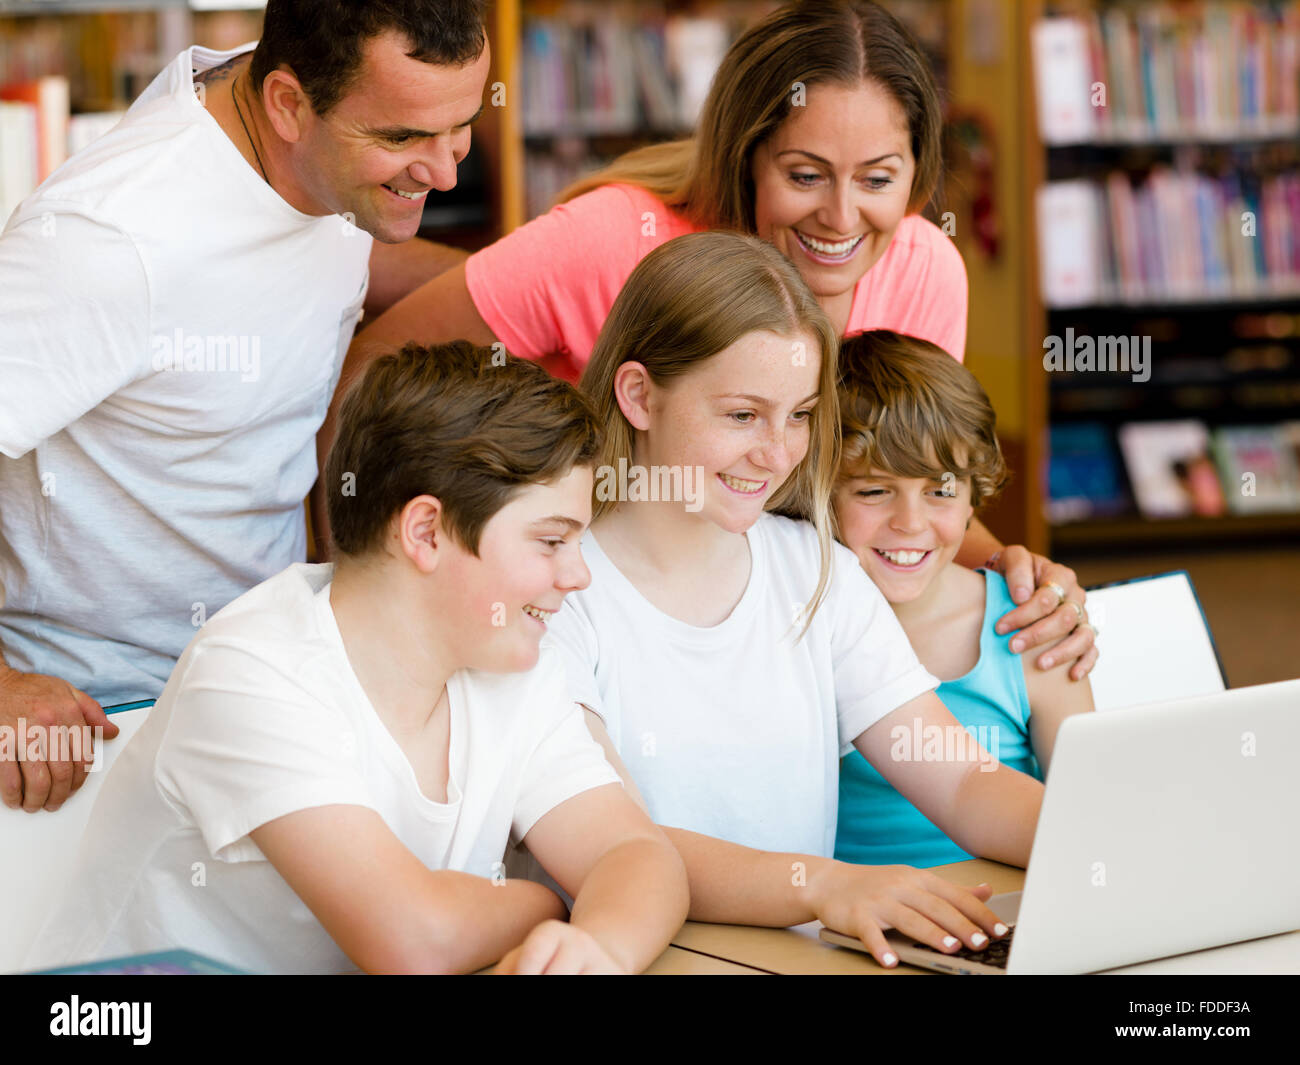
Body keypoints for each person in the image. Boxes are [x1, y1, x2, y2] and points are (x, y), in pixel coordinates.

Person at [328, 0, 1099, 686]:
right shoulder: (610, 241)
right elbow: (375, 369)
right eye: (805, 175)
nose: (840, 217)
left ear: (919, 178)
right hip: (592, 614)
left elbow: (903, 487)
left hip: (771, 626)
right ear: (745, 160)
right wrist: (352, 589)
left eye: (877, 179)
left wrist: (1010, 570)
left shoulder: (924, 267)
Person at [26, 342, 688, 976]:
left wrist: (597, 946)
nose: (578, 575)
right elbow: (415, 941)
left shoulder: (513, 661)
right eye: (550, 540)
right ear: (426, 532)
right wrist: (552, 899)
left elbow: (636, 855)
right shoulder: (253, 670)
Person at [0, 0, 489, 812]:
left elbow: (348, 253)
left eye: (461, 128)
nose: (445, 173)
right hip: (96, 732)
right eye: (403, 139)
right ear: (289, 105)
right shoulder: (106, 240)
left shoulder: (327, 142)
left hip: (266, 686)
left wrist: (555, 280)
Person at [542, 230, 1038, 969]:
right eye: (743, 415)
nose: (778, 454)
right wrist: (823, 886)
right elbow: (621, 844)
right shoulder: (555, 591)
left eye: (800, 414)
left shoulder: (815, 569)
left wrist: (1109, 829)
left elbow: (962, 779)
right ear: (639, 395)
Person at [830, 331, 1095, 869]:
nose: (909, 522)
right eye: (873, 490)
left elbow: (1088, 813)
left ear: (976, 492)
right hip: (842, 928)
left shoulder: (1030, 630)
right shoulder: (801, 627)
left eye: (941, 490)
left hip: (1015, 903)